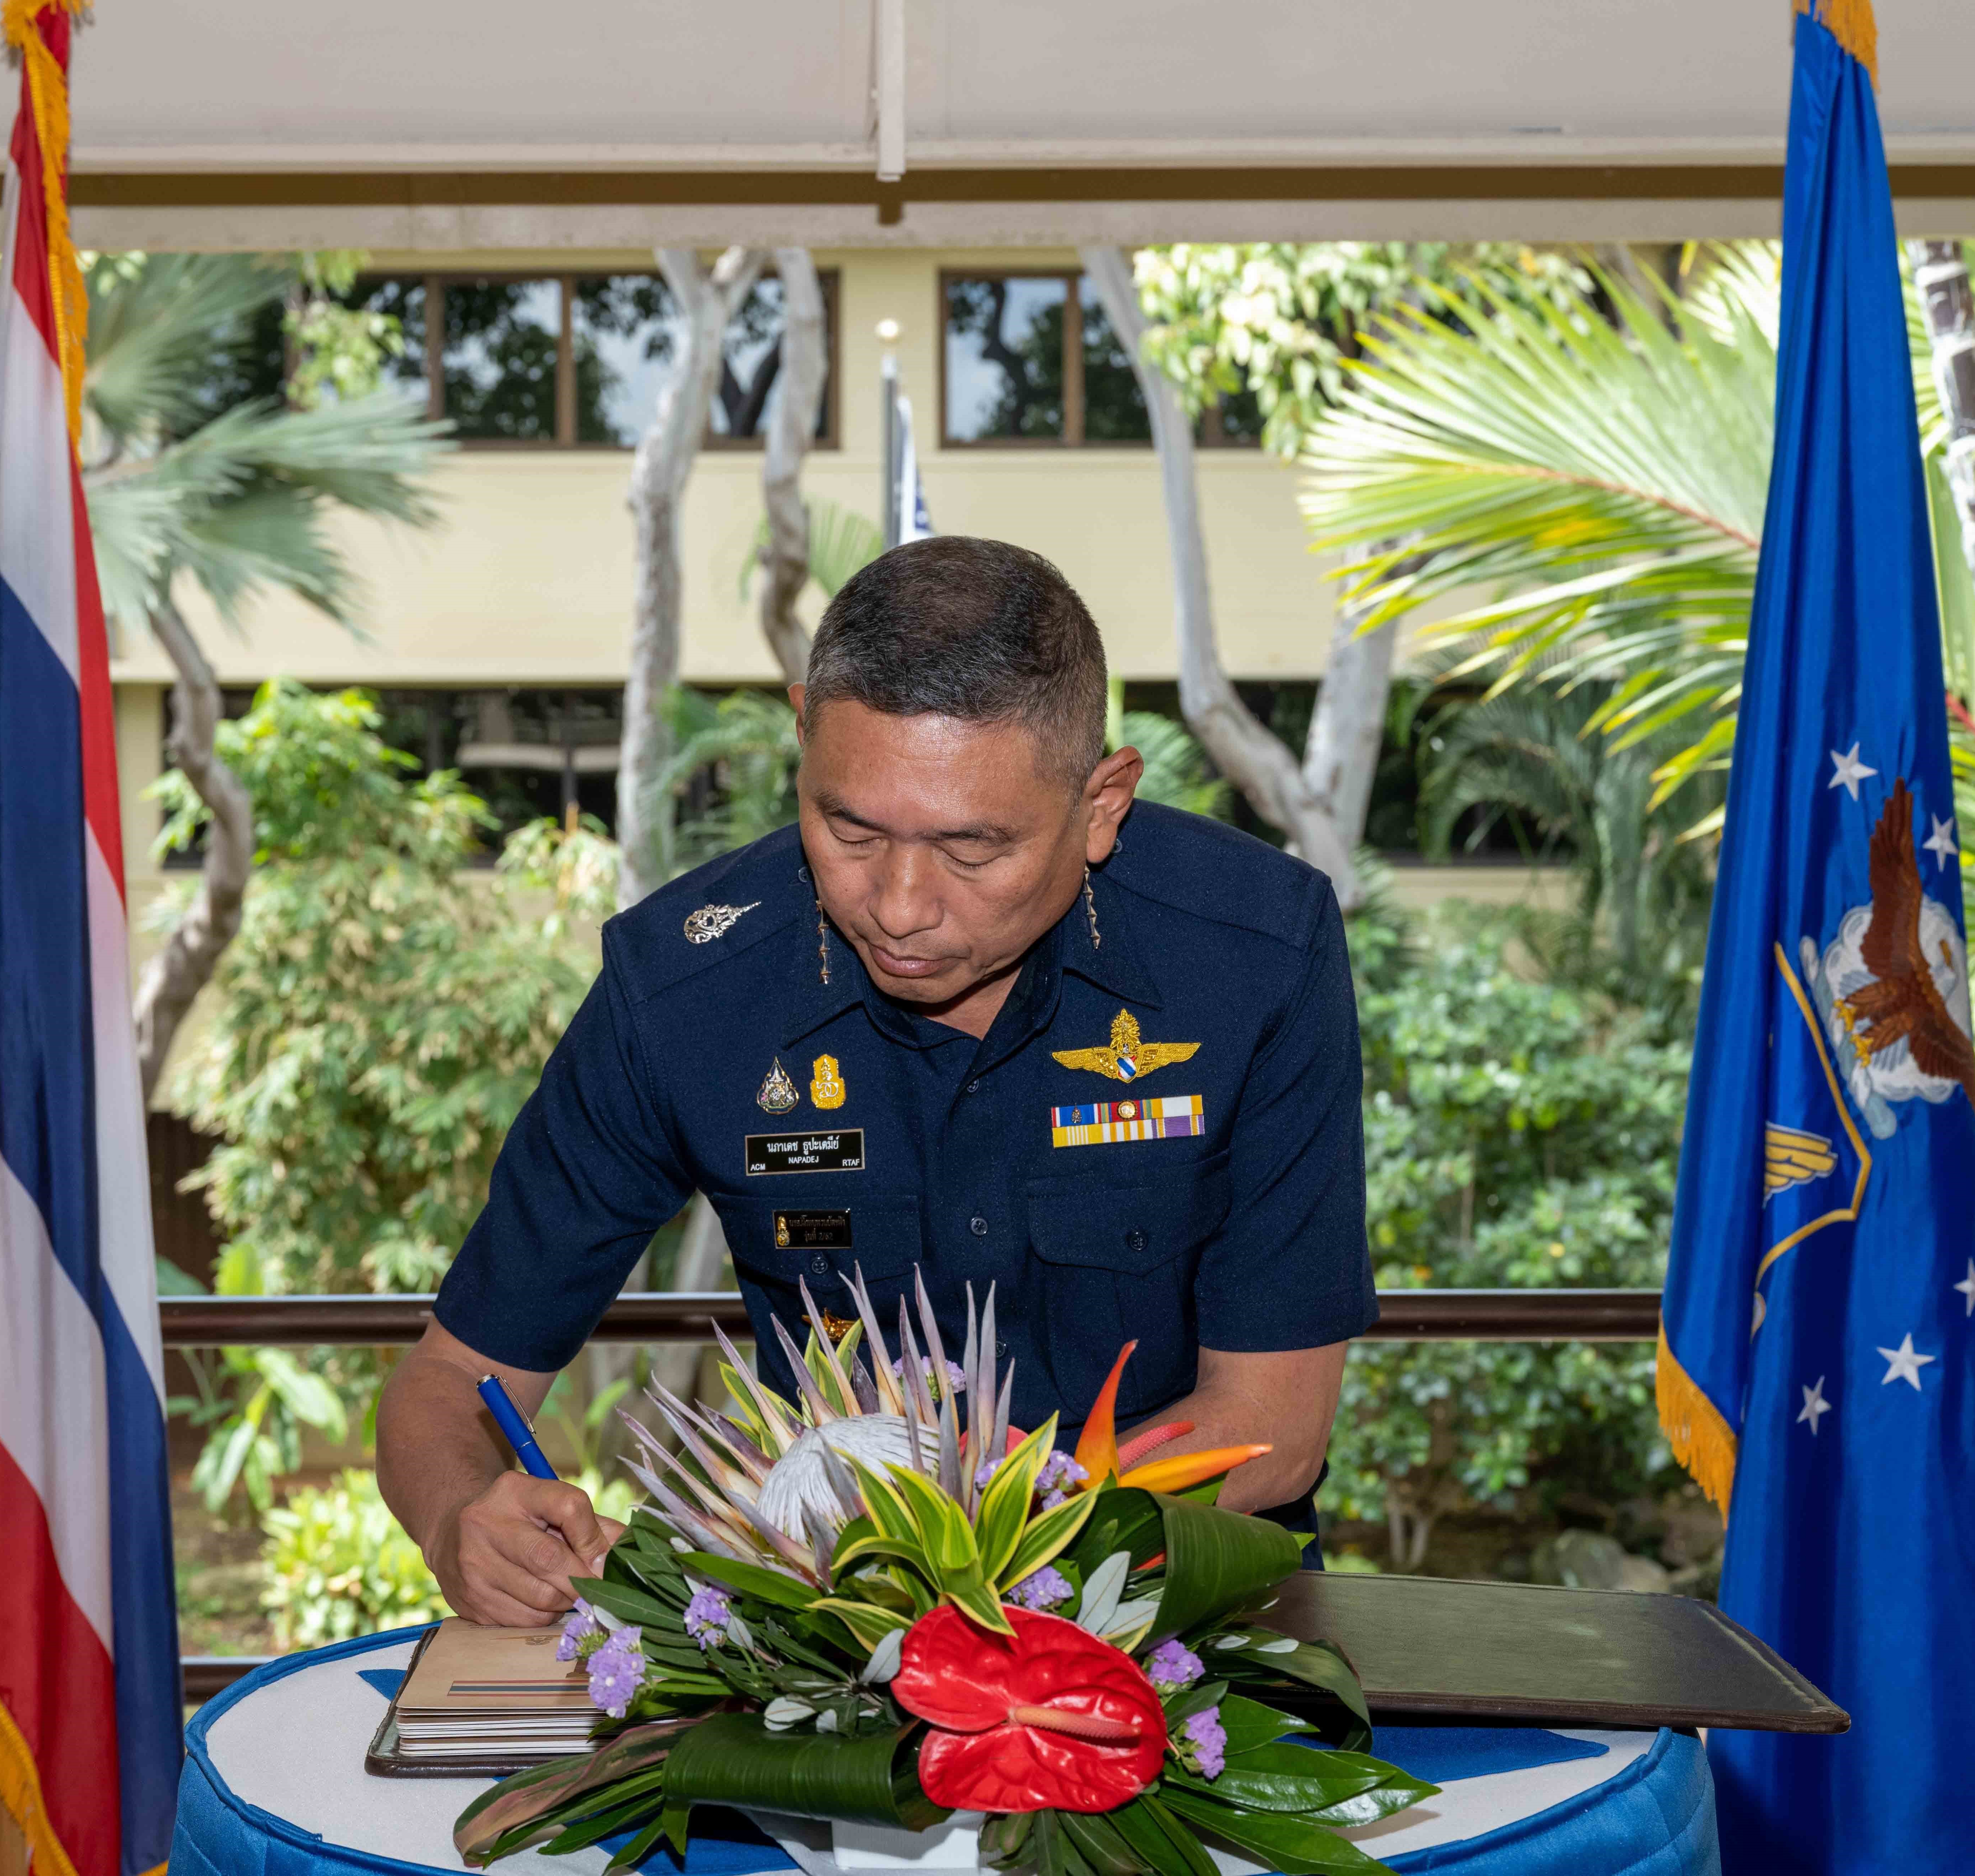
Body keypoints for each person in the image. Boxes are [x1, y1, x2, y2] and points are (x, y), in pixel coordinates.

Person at [376, 536, 1375, 1625]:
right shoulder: (684, 990)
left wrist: (977, 1555)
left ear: (1101, 804)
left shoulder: (1253, 953)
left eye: (971, 849)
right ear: (802, 733)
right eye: (849, 827)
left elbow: (1271, 1425)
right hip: (827, 1645)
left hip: (1188, 1618)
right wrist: (460, 1516)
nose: (898, 906)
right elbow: (451, 1380)